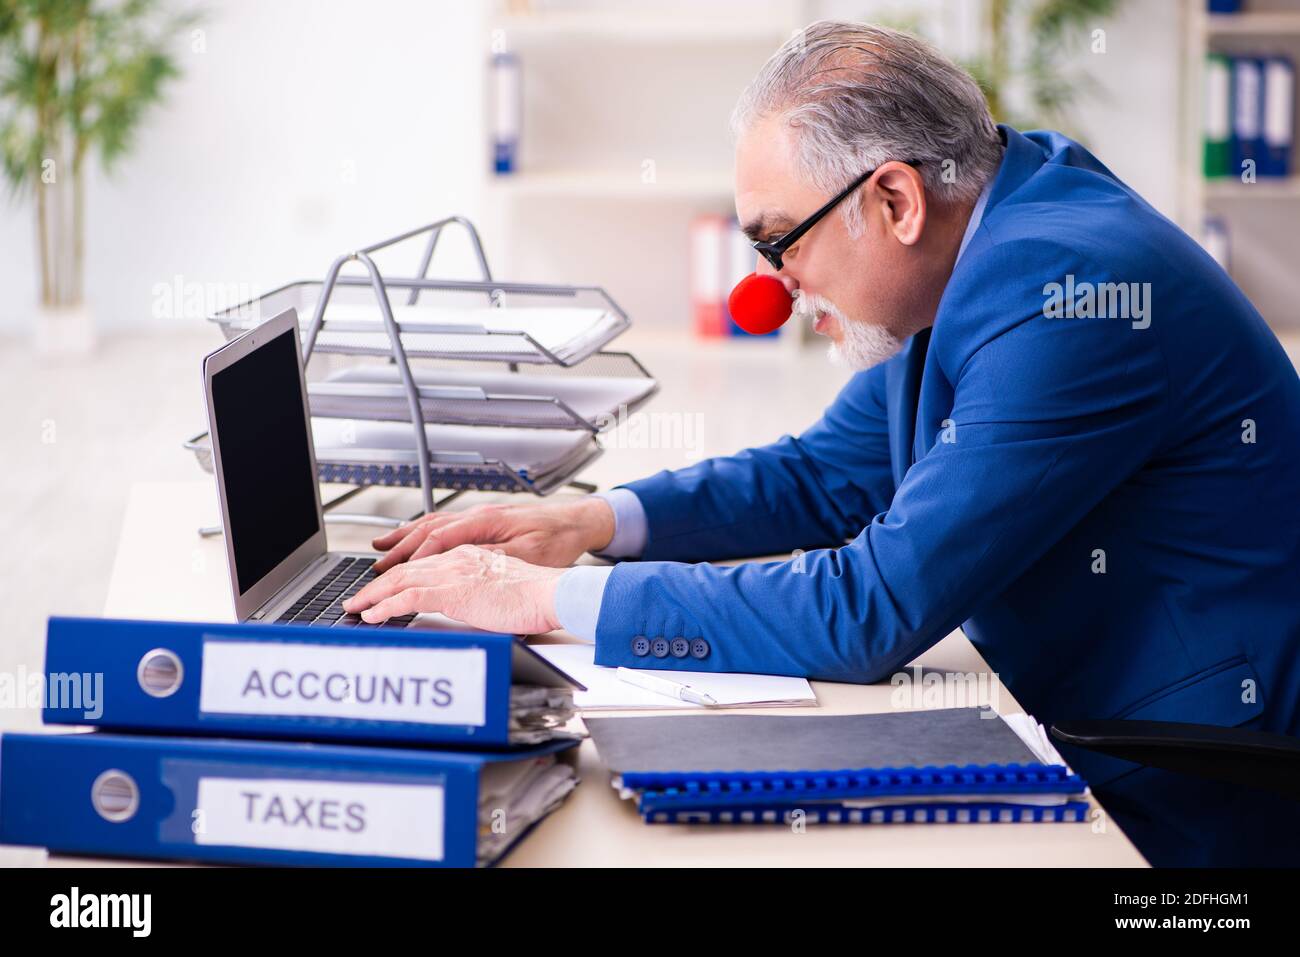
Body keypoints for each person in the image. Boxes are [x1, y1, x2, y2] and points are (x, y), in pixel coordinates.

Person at [344, 21, 1300, 865]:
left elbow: (869, 607)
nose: (773, 290)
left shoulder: (1064, 293)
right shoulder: (983, 234)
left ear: (894, 201)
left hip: (1181, 789)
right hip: (1074, 720)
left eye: (778, 243)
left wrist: (543, 599)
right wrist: (589, 523)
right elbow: (825, 474)